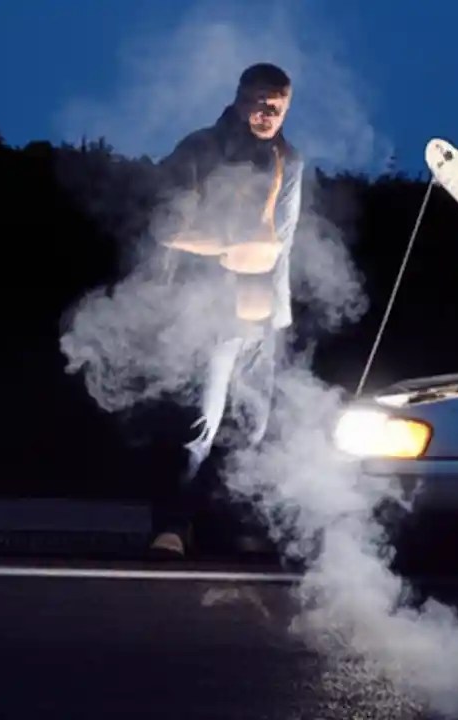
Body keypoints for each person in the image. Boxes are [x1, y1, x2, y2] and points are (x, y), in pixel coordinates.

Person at [146, 62, 304, 558]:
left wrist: (280, 311)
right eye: (259, 102)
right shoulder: (199, 149)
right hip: (209, 310)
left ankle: (215, 525)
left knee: (250, 428)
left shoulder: (289, 160)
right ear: (239, 97)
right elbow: (165, 227)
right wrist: (230, 245)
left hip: (262, 317)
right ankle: (171, 526)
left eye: (276, 107)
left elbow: (284, 241)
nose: (266, 113)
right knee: (198, 423)